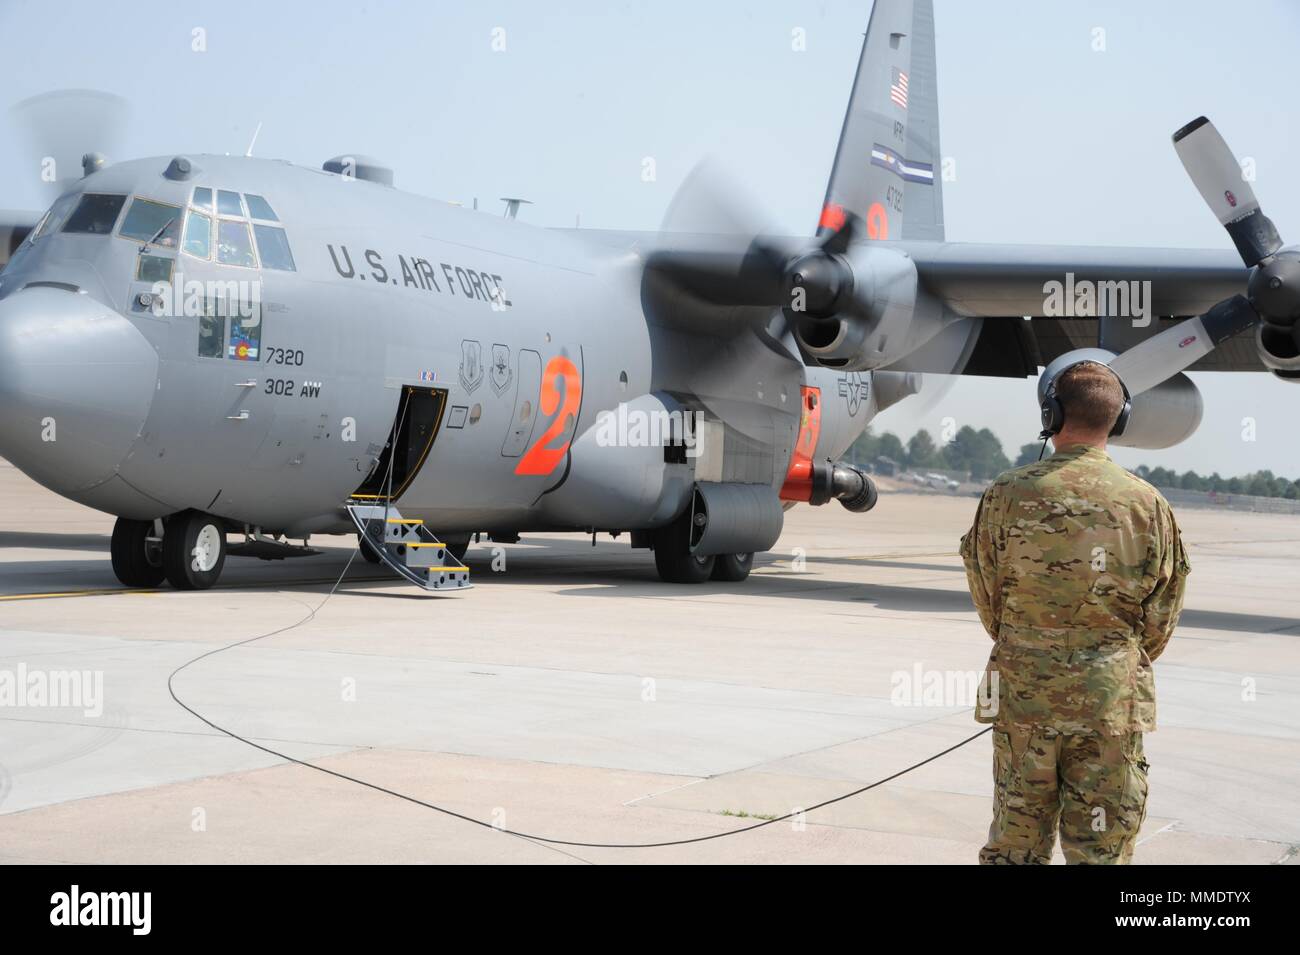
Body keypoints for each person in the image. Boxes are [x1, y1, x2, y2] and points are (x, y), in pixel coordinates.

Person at [960, 360, 1190, 864]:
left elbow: (986, 590)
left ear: (1053, 412)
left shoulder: (1006, 494)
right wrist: (1108, 658)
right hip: (1108, 704)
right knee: (1101, 850)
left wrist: (1030, 642)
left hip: (1024, 700)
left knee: (1016, 847)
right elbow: (1162, 612)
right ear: (1119, 419)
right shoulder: (1147, 505)